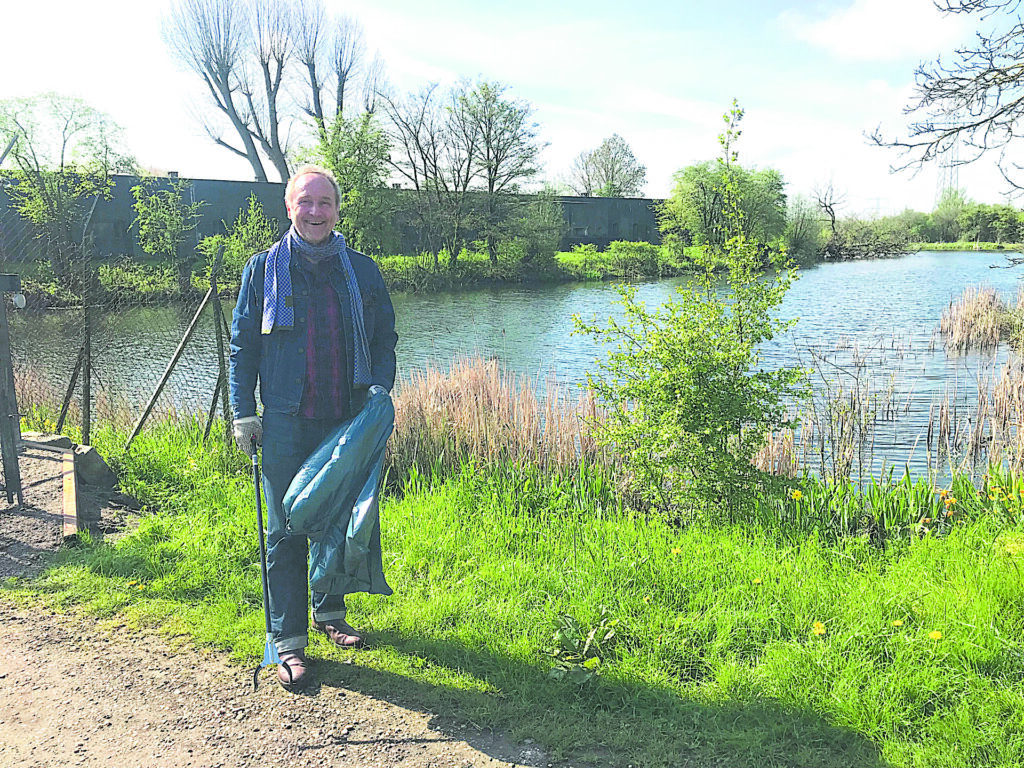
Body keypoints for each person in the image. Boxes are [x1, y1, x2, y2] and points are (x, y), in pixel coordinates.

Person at [229, 164, 397, 691]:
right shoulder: (262, 271)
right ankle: (289, 642)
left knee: (339, 518)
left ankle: (330, 613)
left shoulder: (363, 271)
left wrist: (376, 395)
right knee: (283, 529)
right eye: (306, 202)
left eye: (325, 203)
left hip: (345, 415)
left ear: (337, 209)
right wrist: (243, 412)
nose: (315, 212)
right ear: (289, 207)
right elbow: (243, 348)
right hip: (282, 419)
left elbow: (385, 337)